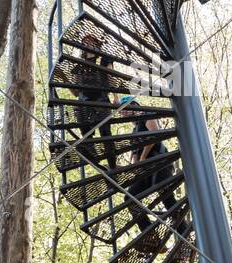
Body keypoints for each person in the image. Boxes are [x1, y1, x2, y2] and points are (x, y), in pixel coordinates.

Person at [123, 107, 180, 241]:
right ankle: (151, 236)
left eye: (126, 107)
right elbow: (135, 166)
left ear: (134, 104)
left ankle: (183, 232)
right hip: (145, 170)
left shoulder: (145, 114)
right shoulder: (133, 134)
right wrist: (114, 168)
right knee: (130, 198)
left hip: (159, 162)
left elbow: (155, 133)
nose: (123, 112)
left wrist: (143, 158)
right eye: (121, 111)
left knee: (165, 194)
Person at [72, 32, 118, 169]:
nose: (88, 44)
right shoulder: (79, 63)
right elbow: (75, 91)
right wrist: (63, 80)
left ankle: (112, 167)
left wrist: (116, 96)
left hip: (101, 99)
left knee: (105, 132)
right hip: (84, 101)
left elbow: (112, 77)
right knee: (86, 133)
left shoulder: (104, 59)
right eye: (85, 42)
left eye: (91, 41)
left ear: (97, 44)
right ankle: (95, 159)